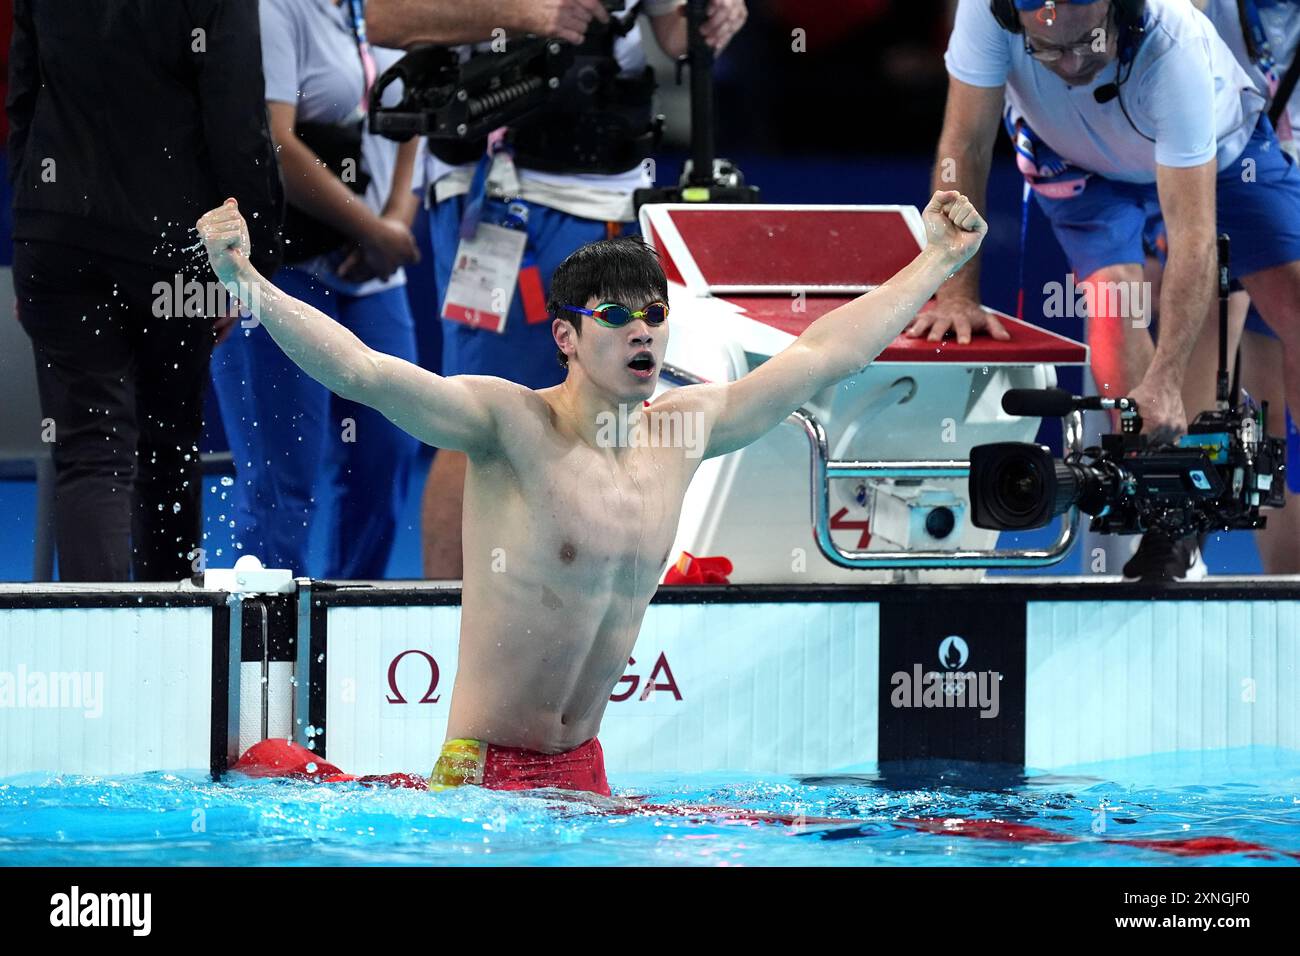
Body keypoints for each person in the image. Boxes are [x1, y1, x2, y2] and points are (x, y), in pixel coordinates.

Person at [197, 188, 987, 795]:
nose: (642, 329)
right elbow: (364, 371)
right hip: (487, 779)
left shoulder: (687, 429)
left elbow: (822, 356)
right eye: (615, 315)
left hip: (587, 775)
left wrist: (937, 261)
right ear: (566, 337)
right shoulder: (510, 427)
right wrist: (245, 280)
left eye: (654, 314)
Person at [916, 0, 1300, 580]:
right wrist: (955, 290)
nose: (1069, 65)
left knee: (1294, 306)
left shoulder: (1173, 47)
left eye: (1085, 45)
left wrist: (1169, 380)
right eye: (1047, 50)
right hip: (1081, 174)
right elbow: (963, 148)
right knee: (1118, 341)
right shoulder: (985, 12)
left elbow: (1193, 238)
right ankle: (1168, 519)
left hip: (1222, 156)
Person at [366, 0, 747, 580]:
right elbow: (382, 17)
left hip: (617, 194)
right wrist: (527, 13)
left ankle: (570, 610)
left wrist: (711, 19)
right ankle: (446, 613)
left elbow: (674, 35)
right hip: (503, 198)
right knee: (481, 418)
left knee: (604, 417)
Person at [8, 0, 284, 582]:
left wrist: (33, 237)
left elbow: (23, 104)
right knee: (170, 449)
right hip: (170, 247)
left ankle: (100, 655)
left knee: (89, 451)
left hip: (60, 235)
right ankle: (174, 639)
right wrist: (248, 267)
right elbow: (238, 126)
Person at [210, 0, 423, 578]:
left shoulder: (394, 9)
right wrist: (371, 228)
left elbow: (416, 115)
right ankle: (265, 647)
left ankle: (350, 618)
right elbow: (275, 144)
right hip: (284, 269)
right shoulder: (275, 9)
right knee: (283, 477)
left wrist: (395, 223)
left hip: (375, 271)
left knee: (388, 453)